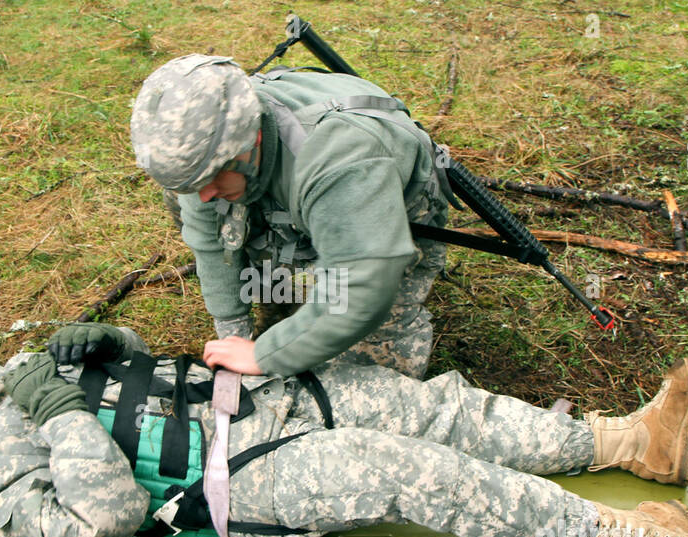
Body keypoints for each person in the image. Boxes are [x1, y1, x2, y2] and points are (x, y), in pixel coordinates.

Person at [0, 323, 688, 537]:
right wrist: (59, 403)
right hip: (231, 483)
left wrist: (107, 345)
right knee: (415, 472)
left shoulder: (17, 378)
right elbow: (101, 521)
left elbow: (143, 384)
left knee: (433, 409)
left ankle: (631, 441)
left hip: (242, 403)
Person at [130, 54, 449, 380]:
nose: (204, 194)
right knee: (189, 197)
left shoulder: (341, 160)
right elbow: (209, 237)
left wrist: (264, 356)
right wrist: (232, 331)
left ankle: (383, 313)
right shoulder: (210, 147)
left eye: (212, 178)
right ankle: (280, 291)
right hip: (292, 191)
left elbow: (360, 289)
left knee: (366, 380)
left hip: (378, 214)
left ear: (251, 139)